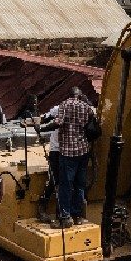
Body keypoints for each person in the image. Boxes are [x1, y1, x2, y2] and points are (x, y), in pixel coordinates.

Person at [38, 88, 94, 228]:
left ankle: (65, 216)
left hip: (68, 152)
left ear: (69, 95)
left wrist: (41, 129)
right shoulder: (87, 107)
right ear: (80, 95)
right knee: (79, 185)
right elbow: (92, 125)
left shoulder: (65, 105)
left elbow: (57, 122)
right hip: (83, 151)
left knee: (65, 185)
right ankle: (77, 215)